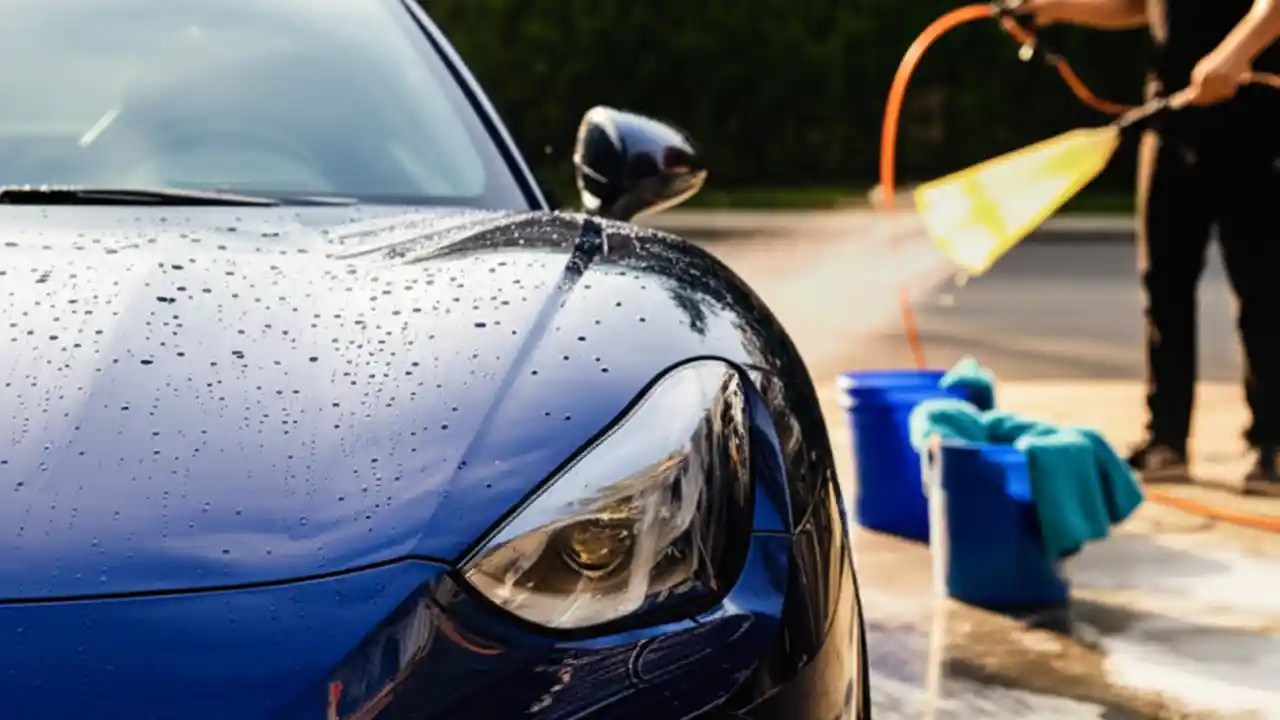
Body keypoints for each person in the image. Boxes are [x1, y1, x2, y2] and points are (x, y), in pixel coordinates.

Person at [1017, 0, 1280, 494]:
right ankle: (1166, 441)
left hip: (1252, 117)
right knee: (1164, 288)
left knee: (1263, 288)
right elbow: (1140, 5)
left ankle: (1273, 445)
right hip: (1172, 119)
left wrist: (1235, 53)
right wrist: (1055, 9)